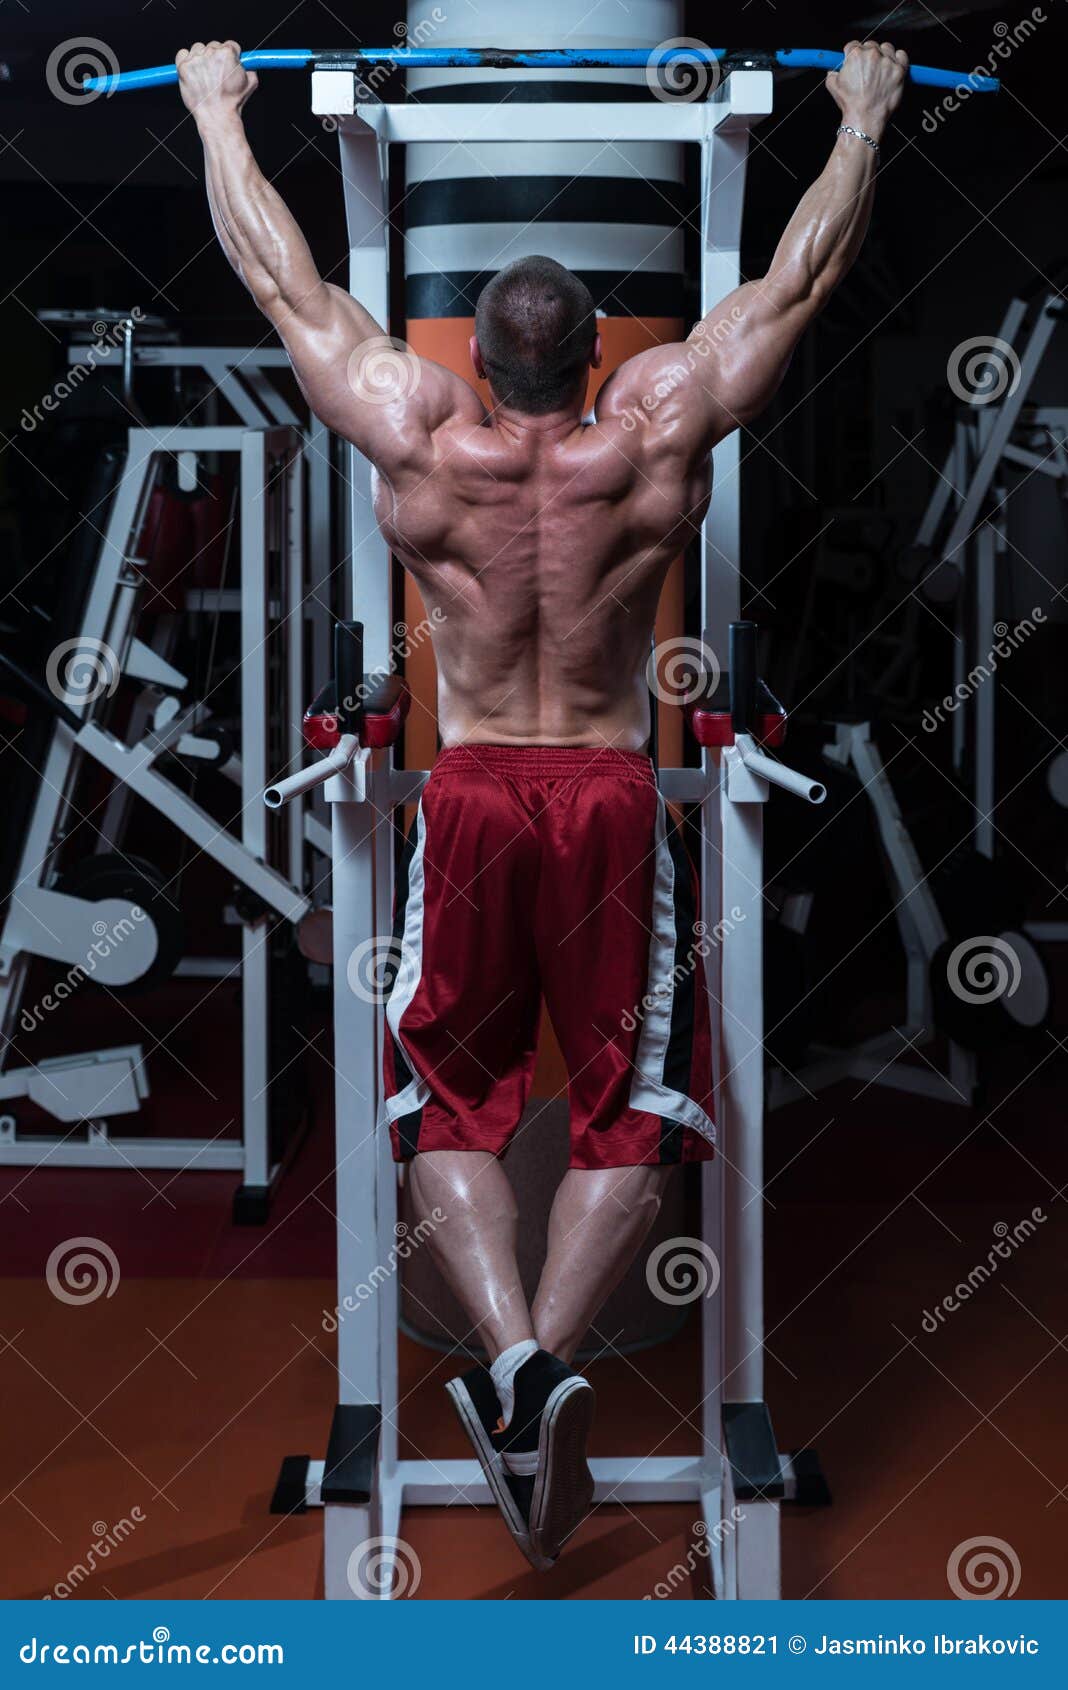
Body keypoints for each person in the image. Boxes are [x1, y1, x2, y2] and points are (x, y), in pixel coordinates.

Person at [177, 36, 908, 1571]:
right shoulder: (650, 439)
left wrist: (216, 114)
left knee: (444, 1093)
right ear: (594, 358)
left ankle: (505, 1357)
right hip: (610, 798)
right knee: (636, 1106)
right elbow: (794, 285)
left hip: (474, 791)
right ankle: (545, 1367)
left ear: (470, 359)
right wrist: (857, 121)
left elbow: (283, 283)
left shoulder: (413, 433)